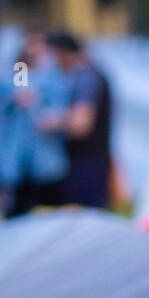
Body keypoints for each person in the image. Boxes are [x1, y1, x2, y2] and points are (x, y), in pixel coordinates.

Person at [0, 29, 69, 216]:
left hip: (45, 160)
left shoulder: (51, 71)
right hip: (20, 161)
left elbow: (56, 104)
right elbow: (18, 93)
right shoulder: (20, 70)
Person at [44, 30, 112, 209]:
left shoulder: (85, 78)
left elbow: (80, 124)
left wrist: (51, 122)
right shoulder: (92, 75)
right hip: (90, 165)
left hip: (84, 168)